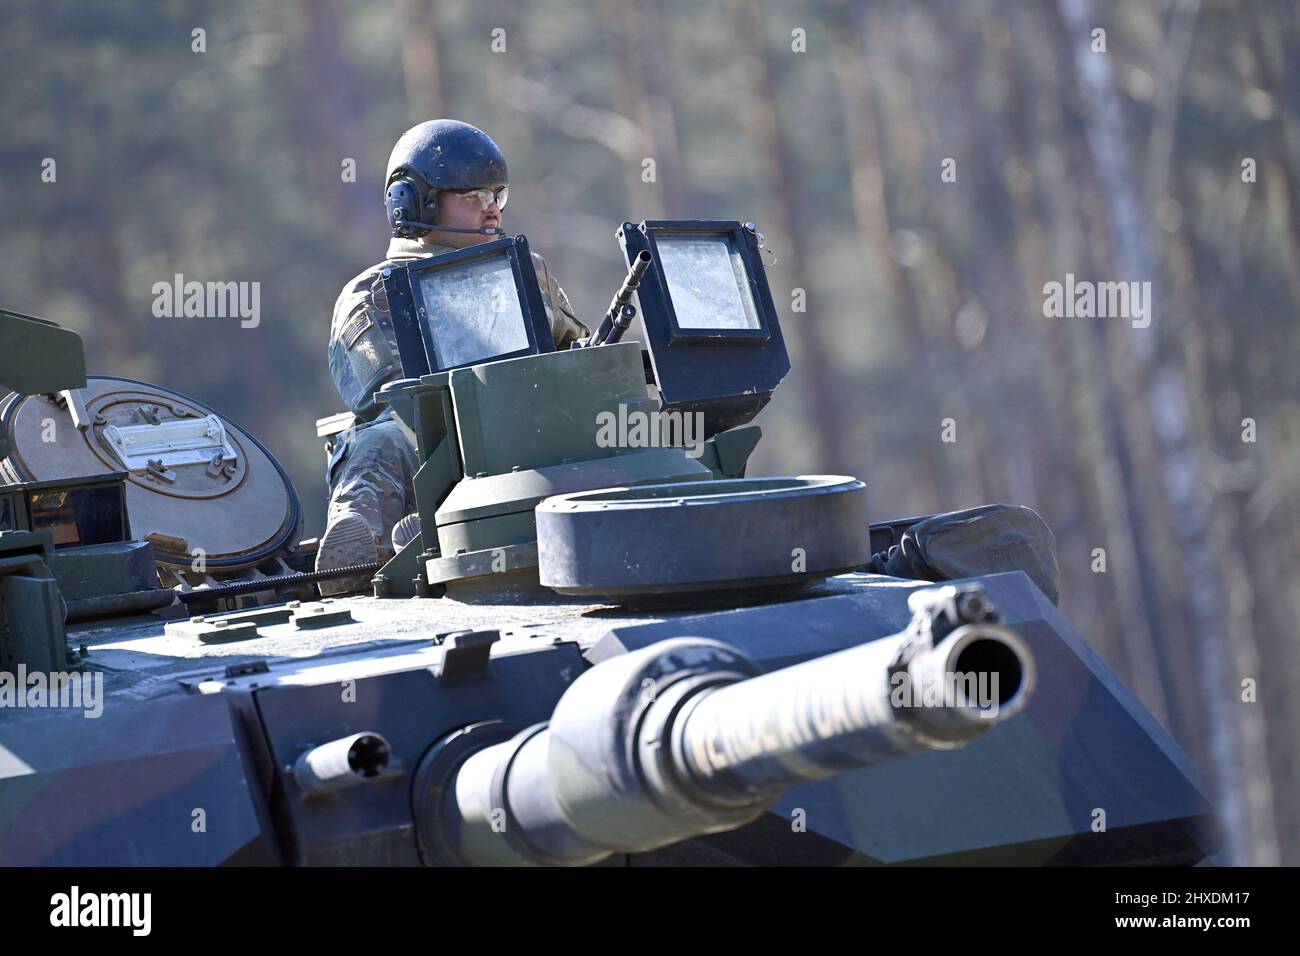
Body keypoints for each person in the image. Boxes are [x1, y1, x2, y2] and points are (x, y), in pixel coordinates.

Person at [317, 119, 589, 593]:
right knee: (380, 438)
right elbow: (386, 396)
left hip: (535, 433)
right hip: (440, 447)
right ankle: (367, 554)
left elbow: (579, 356)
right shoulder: (375, 292)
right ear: (416, 203)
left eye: (497, 196)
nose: (491, 212)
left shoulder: (527, 271)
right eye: (472, 197)